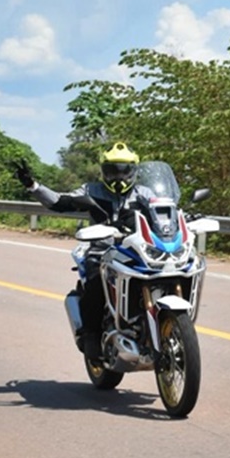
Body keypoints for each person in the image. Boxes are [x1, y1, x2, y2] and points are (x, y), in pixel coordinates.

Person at [12, 142, 154, 362]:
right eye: (112, 170)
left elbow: (167, 212)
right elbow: (60, 201)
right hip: (101, 249)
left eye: (123, 170)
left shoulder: (145, 193)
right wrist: (33, 185)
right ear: (103, 170)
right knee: (97, 279)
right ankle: (91, 335)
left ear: (133, 170)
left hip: (138, 250)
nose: (118, 176)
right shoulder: (91, 191)